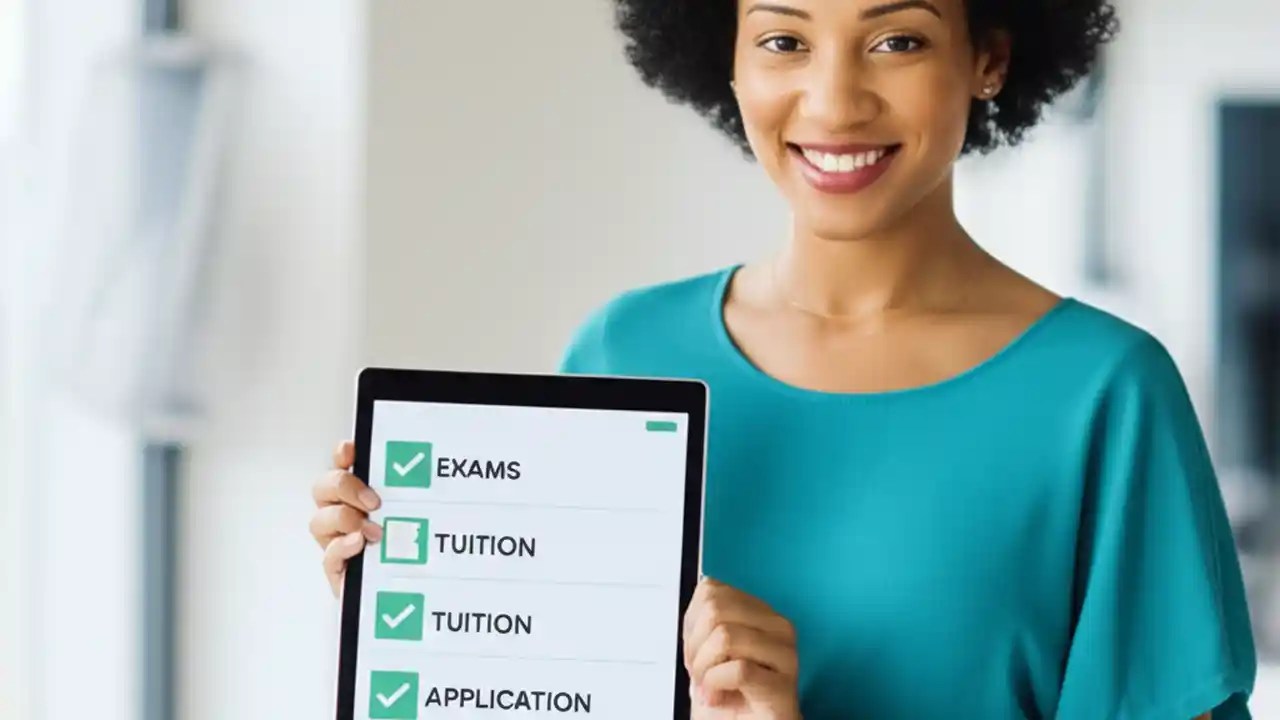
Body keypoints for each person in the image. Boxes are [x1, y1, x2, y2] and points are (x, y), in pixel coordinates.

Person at [310, 0, 1258, 717]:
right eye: (783, 39)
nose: (835, 100)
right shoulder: (622, 350)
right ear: (724, 57)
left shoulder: (1102, 396)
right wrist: (423, 596)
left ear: (990, 58)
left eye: (898, 39)